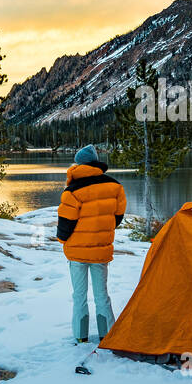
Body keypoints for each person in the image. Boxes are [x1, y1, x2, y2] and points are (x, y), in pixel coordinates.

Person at [56, 144, 126, 344]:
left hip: (76, 253)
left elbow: (65, 224)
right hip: (101, 251)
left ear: (78, 164)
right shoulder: (115, 186)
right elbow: (117, 217)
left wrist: (63, 240)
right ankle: (107, 335)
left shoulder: (72, 191)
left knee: (79, 295)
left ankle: (81, 336)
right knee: (102, 294)